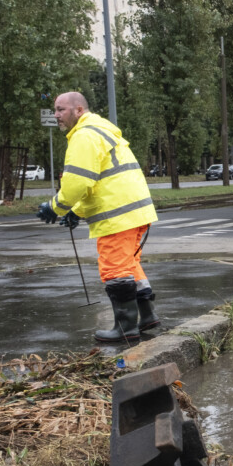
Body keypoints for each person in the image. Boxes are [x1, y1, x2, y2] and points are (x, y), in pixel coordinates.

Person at [36, 92, 159, 343]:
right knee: (128, 264)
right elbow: (98, 180)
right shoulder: (100, 130)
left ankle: (125, 328)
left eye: (61, 110)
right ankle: (146, 315)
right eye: (55, 110)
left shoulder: (84, 136)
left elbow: (78, 181)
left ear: (78, 110)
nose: (57, 115)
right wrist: (76, 211)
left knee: (115, 268)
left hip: (117, 214)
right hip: (133, 210)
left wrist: (56, 207)